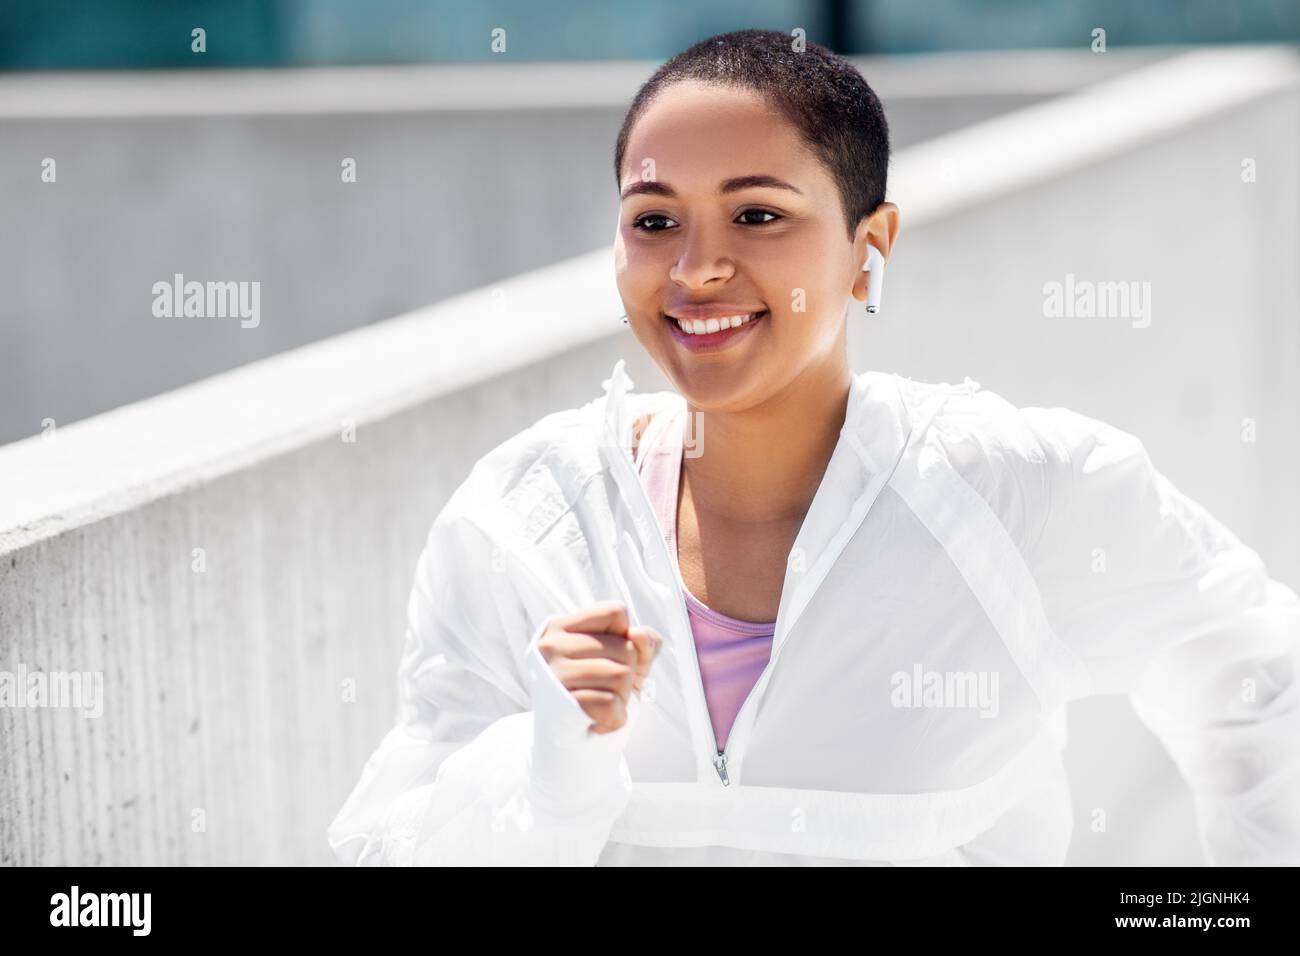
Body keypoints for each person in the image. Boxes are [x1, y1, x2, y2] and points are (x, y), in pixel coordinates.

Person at [327, 29, 1300, 866]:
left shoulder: (1017, 491)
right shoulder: (524, 521)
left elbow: (1260, 679)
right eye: (653, 220)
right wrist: (543, 770)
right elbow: (379, 845)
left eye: (758, 215)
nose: (697, 266)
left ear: (868, 246)